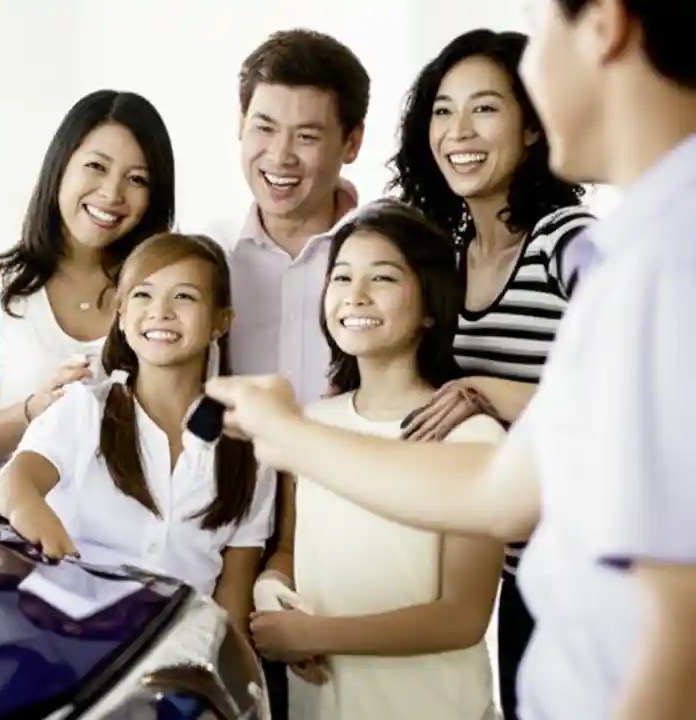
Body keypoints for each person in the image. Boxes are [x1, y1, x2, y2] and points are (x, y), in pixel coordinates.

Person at [206, 2, 696, 717]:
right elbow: (505, 489)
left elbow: (675, 622)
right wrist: (293, 435)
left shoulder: (659, 261)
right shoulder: (636, 248)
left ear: (604, 25)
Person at [385, 28, 595, 717]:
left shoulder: (569, 240)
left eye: (485, 108)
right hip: (505, 570)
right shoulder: (446, 253)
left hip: (586, 572)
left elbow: (635, 397)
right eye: (443, 110)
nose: (458, 131)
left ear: (533, 126)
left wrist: (488, 392)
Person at [253, 199, 505, 719]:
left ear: (431, 304)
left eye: (383, 279)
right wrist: (270, 588)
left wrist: (316, 635)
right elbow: (288, 552)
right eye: (341, 278)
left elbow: (463, 617)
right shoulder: (311, 424)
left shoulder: (471, 437)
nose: (355, 296)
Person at [202, 31, 371, 716]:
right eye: (263, 128)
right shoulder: (207, 255)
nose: (279, 156)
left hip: (355, 516)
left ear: (350, 143)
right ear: (239, 128)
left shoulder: (383, 257)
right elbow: (189, 396)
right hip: (231, 525)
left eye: (306, 136)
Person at [0, 232, 274, 634]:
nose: (160, 312)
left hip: (178, 656)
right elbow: (13, 485)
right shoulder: (84, 408)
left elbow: (233, 596)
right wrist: (40, 523)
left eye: (185, 297)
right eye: (143, 295)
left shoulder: (250, 443)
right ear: (121, 316)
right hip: (68, 639)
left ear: (220, 322)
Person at [0, 90, 176, 504]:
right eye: (96, 167)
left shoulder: (164, 298)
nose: (112, 193)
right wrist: (36, 410)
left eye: (137, 179)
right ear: (60, 167)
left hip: (115, 539)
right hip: (2, 533)